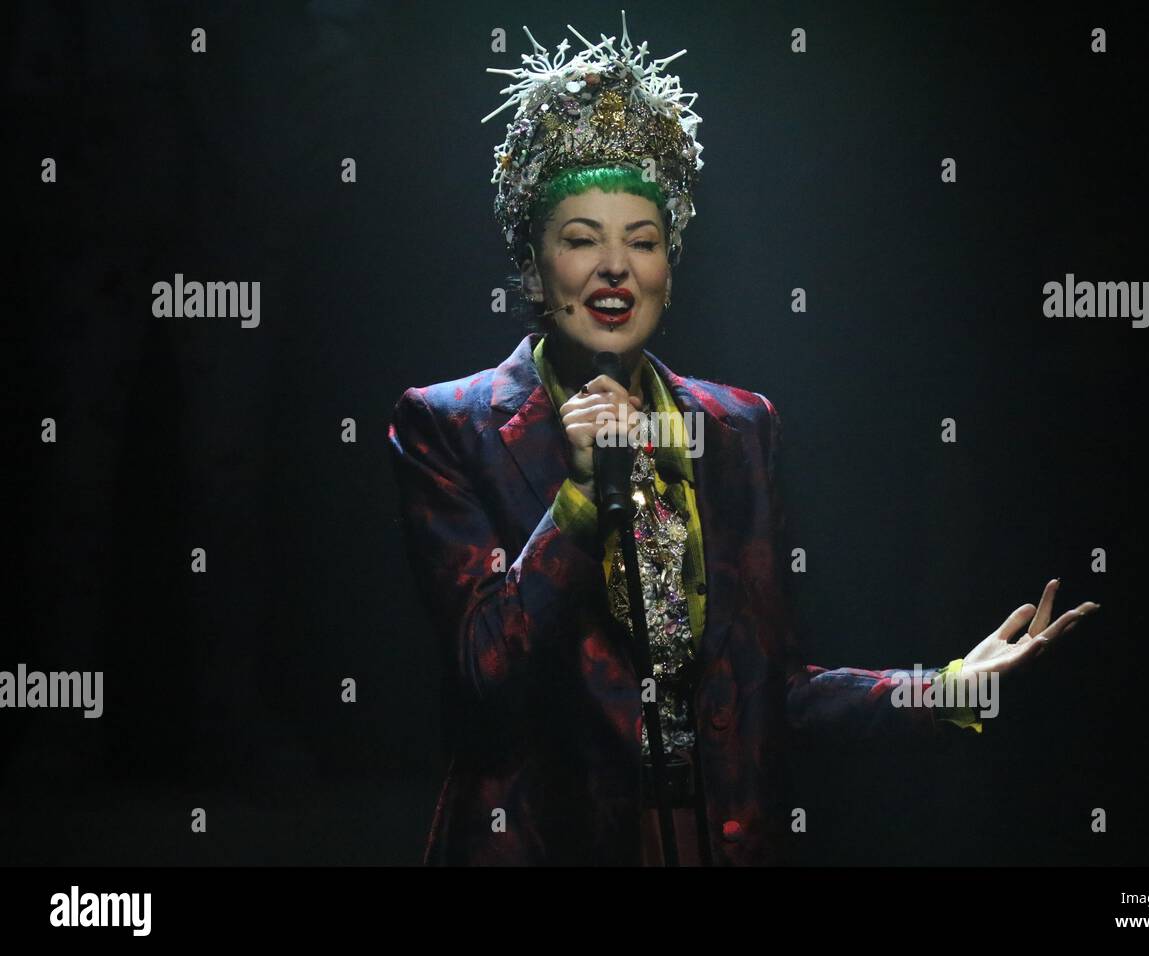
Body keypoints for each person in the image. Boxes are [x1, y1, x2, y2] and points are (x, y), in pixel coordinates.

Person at [387, 13, 1098, 866]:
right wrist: (580, 501)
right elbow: (483, 684)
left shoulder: (733, 428)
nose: (615, 266)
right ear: (533, 266)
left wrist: (947, 686)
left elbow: (772, 693)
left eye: (642, 242)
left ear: (669, 271)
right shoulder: (452, 424)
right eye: (581, 240)